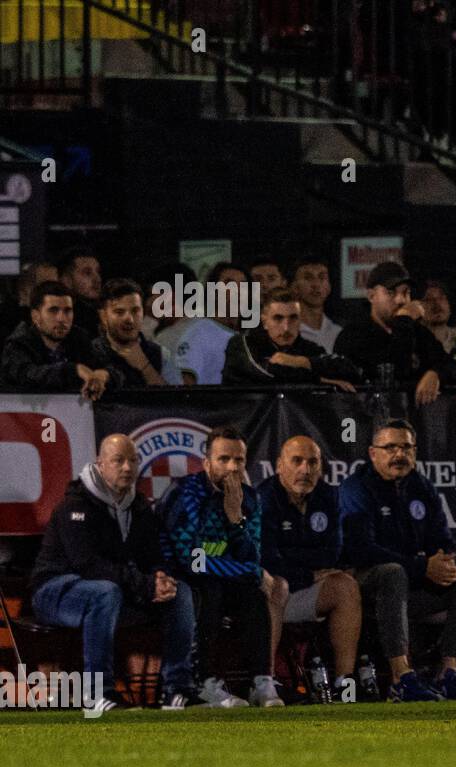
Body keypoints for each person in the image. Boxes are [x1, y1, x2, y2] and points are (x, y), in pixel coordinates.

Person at [29, 434, 204, 711]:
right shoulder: (74, 505)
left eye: (133, 460)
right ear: (100, 465)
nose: (127, 467)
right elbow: (87, 565)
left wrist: (160, 579)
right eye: (118, 460)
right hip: (55, 592)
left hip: (113, 594)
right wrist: (144, 585)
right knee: (104, 591)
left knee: (180, 591)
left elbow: (152, 558)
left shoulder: (139, 507)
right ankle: (98, 694)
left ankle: (177, 690)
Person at [340, 419, 456, 702]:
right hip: (365, 587)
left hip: (412, 584)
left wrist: (444, 562)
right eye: (390, 447)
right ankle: (401, 677)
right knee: (392, 572)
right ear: (373, 453)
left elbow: (442, 541)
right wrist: (422, 567)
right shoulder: (356, 488)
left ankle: (449, 675)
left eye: (406, 447)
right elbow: (361, 550)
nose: (399, 455)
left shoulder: (421, 487)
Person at [157, 424, 284, 707]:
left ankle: (261, 681)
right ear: (206, 463)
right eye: (223, 459)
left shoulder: (249, 498)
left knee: (254, 594)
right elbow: (193, 561)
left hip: (226, 578)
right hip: (182, 580)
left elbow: (251, 556)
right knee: (211, 588)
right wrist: (249, 571)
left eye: (238, 460)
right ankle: (206, 683)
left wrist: (235, 516)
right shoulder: (185, 493)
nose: (232, 467)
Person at [258, 436, 374, 703]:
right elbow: (269, 561)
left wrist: (296, 561)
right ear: (279, 466)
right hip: (271, 598)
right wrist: (309, 573)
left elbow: (331, 552)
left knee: (345, 585)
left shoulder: (328, 496)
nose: (305, 470)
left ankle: (344, 685)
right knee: (276, 584)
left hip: (302, 590)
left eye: (312, 462)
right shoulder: (264, 498)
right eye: (296, 461)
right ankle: (268, 683)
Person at [334, 261, 456, 403]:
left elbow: (454, 367)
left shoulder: (418, 332)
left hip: (415, 420)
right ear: (371, 296)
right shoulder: (353, 335)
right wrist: (404, 321)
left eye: (406, 292)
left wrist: (436, 374)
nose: (401, 300)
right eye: (391, 292)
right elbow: (398, 369)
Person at [222, 287, 363, 389]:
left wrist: (301, 361)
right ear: (264, 321)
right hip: (246, 423)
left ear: (300, 319)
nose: (286, 327)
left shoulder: (306, 347)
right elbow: (265, 374)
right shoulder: (243, 342)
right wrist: (319, 379)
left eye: (293, 318)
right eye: (278, 318)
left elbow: (351, 370)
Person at [1, 280, 118, 399]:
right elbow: (29, 375)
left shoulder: (79, 338)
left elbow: (115, 370)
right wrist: (74, 370)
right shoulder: (18, 344)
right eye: (53, 310)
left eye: (67, 311)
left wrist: (103, 375)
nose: (61, 318)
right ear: (35, 316)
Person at [90, 278, 184, 387]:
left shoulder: (161, 354)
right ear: (103, 316)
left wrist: (144, 366)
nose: (129, 319)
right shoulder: (89, 353)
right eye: (119, 312)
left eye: (135, 311)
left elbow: (177, 399)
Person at [288, 254, 344, 352]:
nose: (316, 284)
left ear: (329, 287)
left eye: (322, 278)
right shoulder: (287, 332)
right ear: (294, 287)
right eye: (308, 278)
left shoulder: (339, 332)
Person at [55, 246, 103, 338]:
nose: (98, 279)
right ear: (66, 280)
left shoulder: (101, 314)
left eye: (98, 272)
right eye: (87, 273)